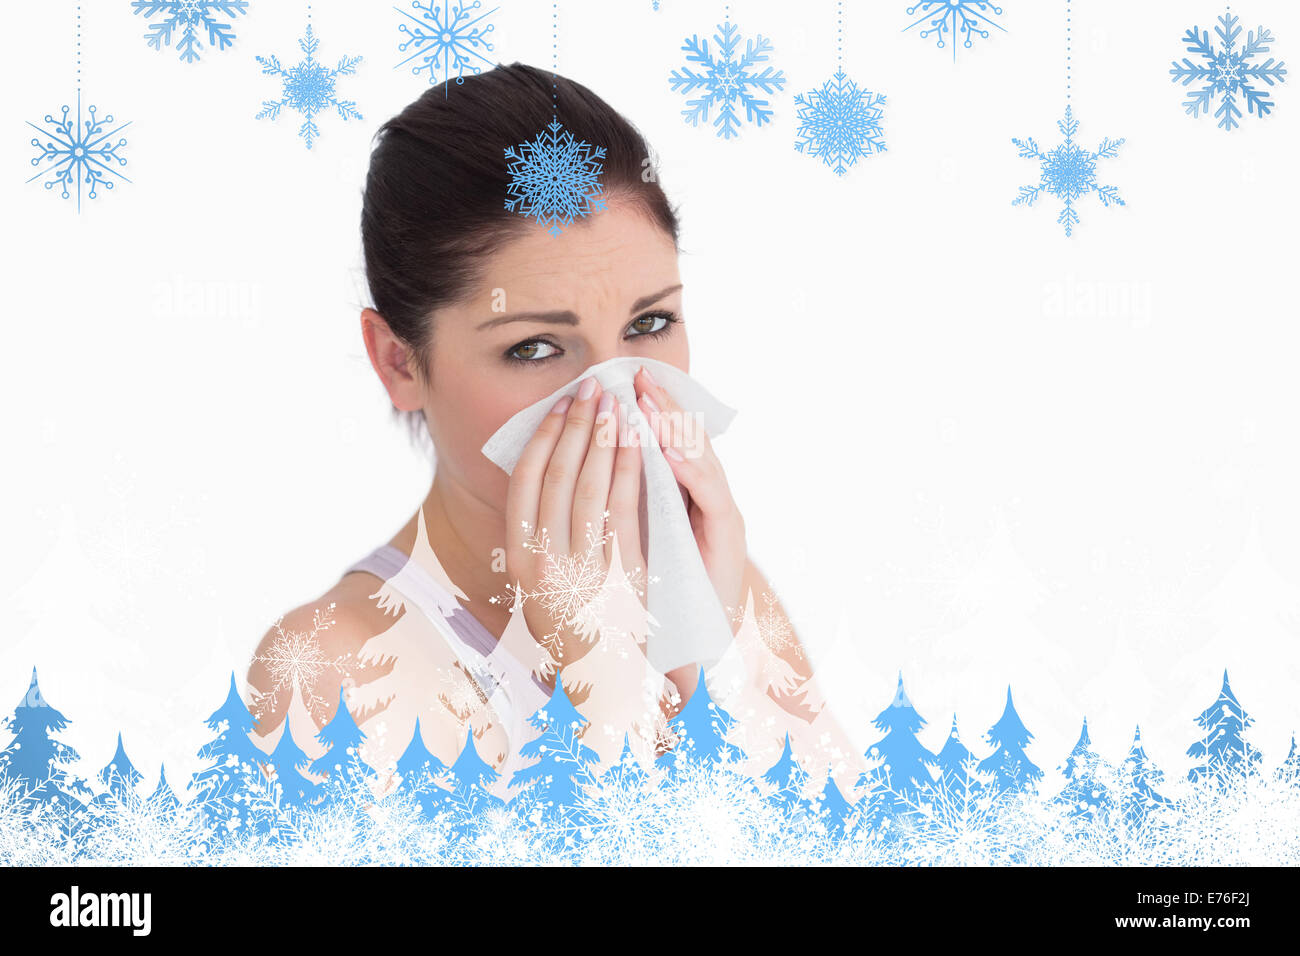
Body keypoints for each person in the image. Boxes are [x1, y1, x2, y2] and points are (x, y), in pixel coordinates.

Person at [246, 63, 859, 797]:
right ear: (399, 362)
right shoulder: (331, 669)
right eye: (533, 347)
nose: (618, 400)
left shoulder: (718, 585)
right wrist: (601, 698)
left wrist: (691, 667)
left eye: (650, 323)